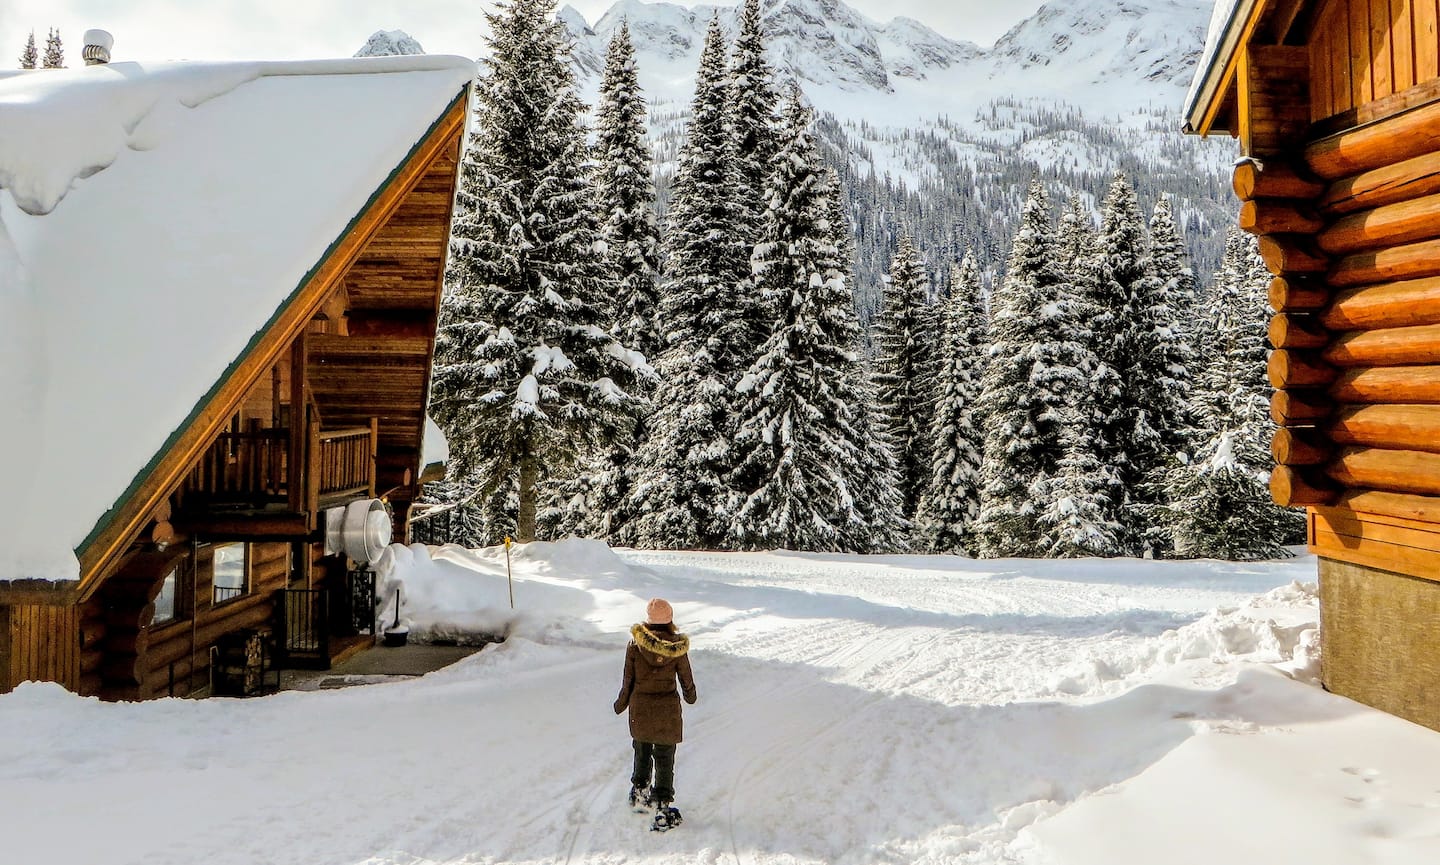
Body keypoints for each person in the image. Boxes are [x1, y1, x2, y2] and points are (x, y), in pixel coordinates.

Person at [614, 597, 697, 814]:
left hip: (640, 708)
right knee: (664, 755)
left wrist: (621, 703)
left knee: (641, 750)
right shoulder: (676, 647)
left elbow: (628, 680)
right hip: (667, 710)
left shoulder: (634, 645)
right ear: (670, 619)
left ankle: (640, 793)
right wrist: (690, 695)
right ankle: (661, 803)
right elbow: (686, 678)